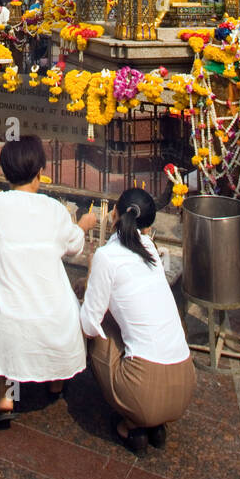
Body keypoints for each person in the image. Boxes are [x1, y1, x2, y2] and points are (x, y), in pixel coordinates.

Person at [0, 135, 96, 426]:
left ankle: (5, 397)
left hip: (8, 316)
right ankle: (56, 384)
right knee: (60, 312)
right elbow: (74, 246)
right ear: (40, 172)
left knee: (5, 321)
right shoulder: (54, 209)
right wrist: (83, 225)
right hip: (55, 317)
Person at [80, 186, 195, 455]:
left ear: (114, 214)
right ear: (149, 225)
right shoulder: (151, 250)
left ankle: (133, 423)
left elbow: (88, 325)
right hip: (185, 386)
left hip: (143, 390)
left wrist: (88, 281)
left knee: (100, 328)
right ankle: (155, 423)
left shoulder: (106, 257)